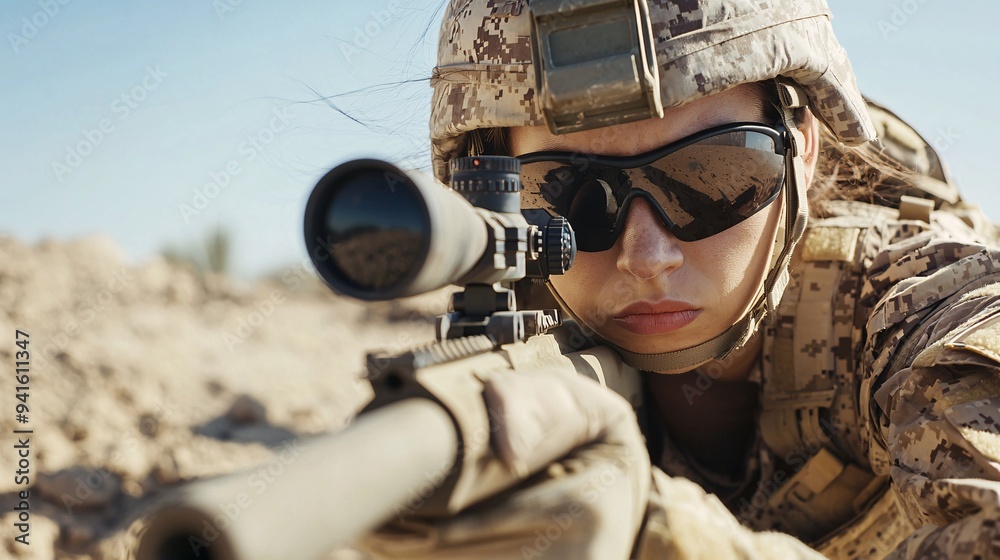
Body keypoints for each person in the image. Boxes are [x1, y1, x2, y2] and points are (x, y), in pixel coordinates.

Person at [360, 0, 1000, 558]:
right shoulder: (524, 342)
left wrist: (652, 537)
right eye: (569, 194)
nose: (646, 256)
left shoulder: (920, 297)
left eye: (712, 177)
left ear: (802, 146)